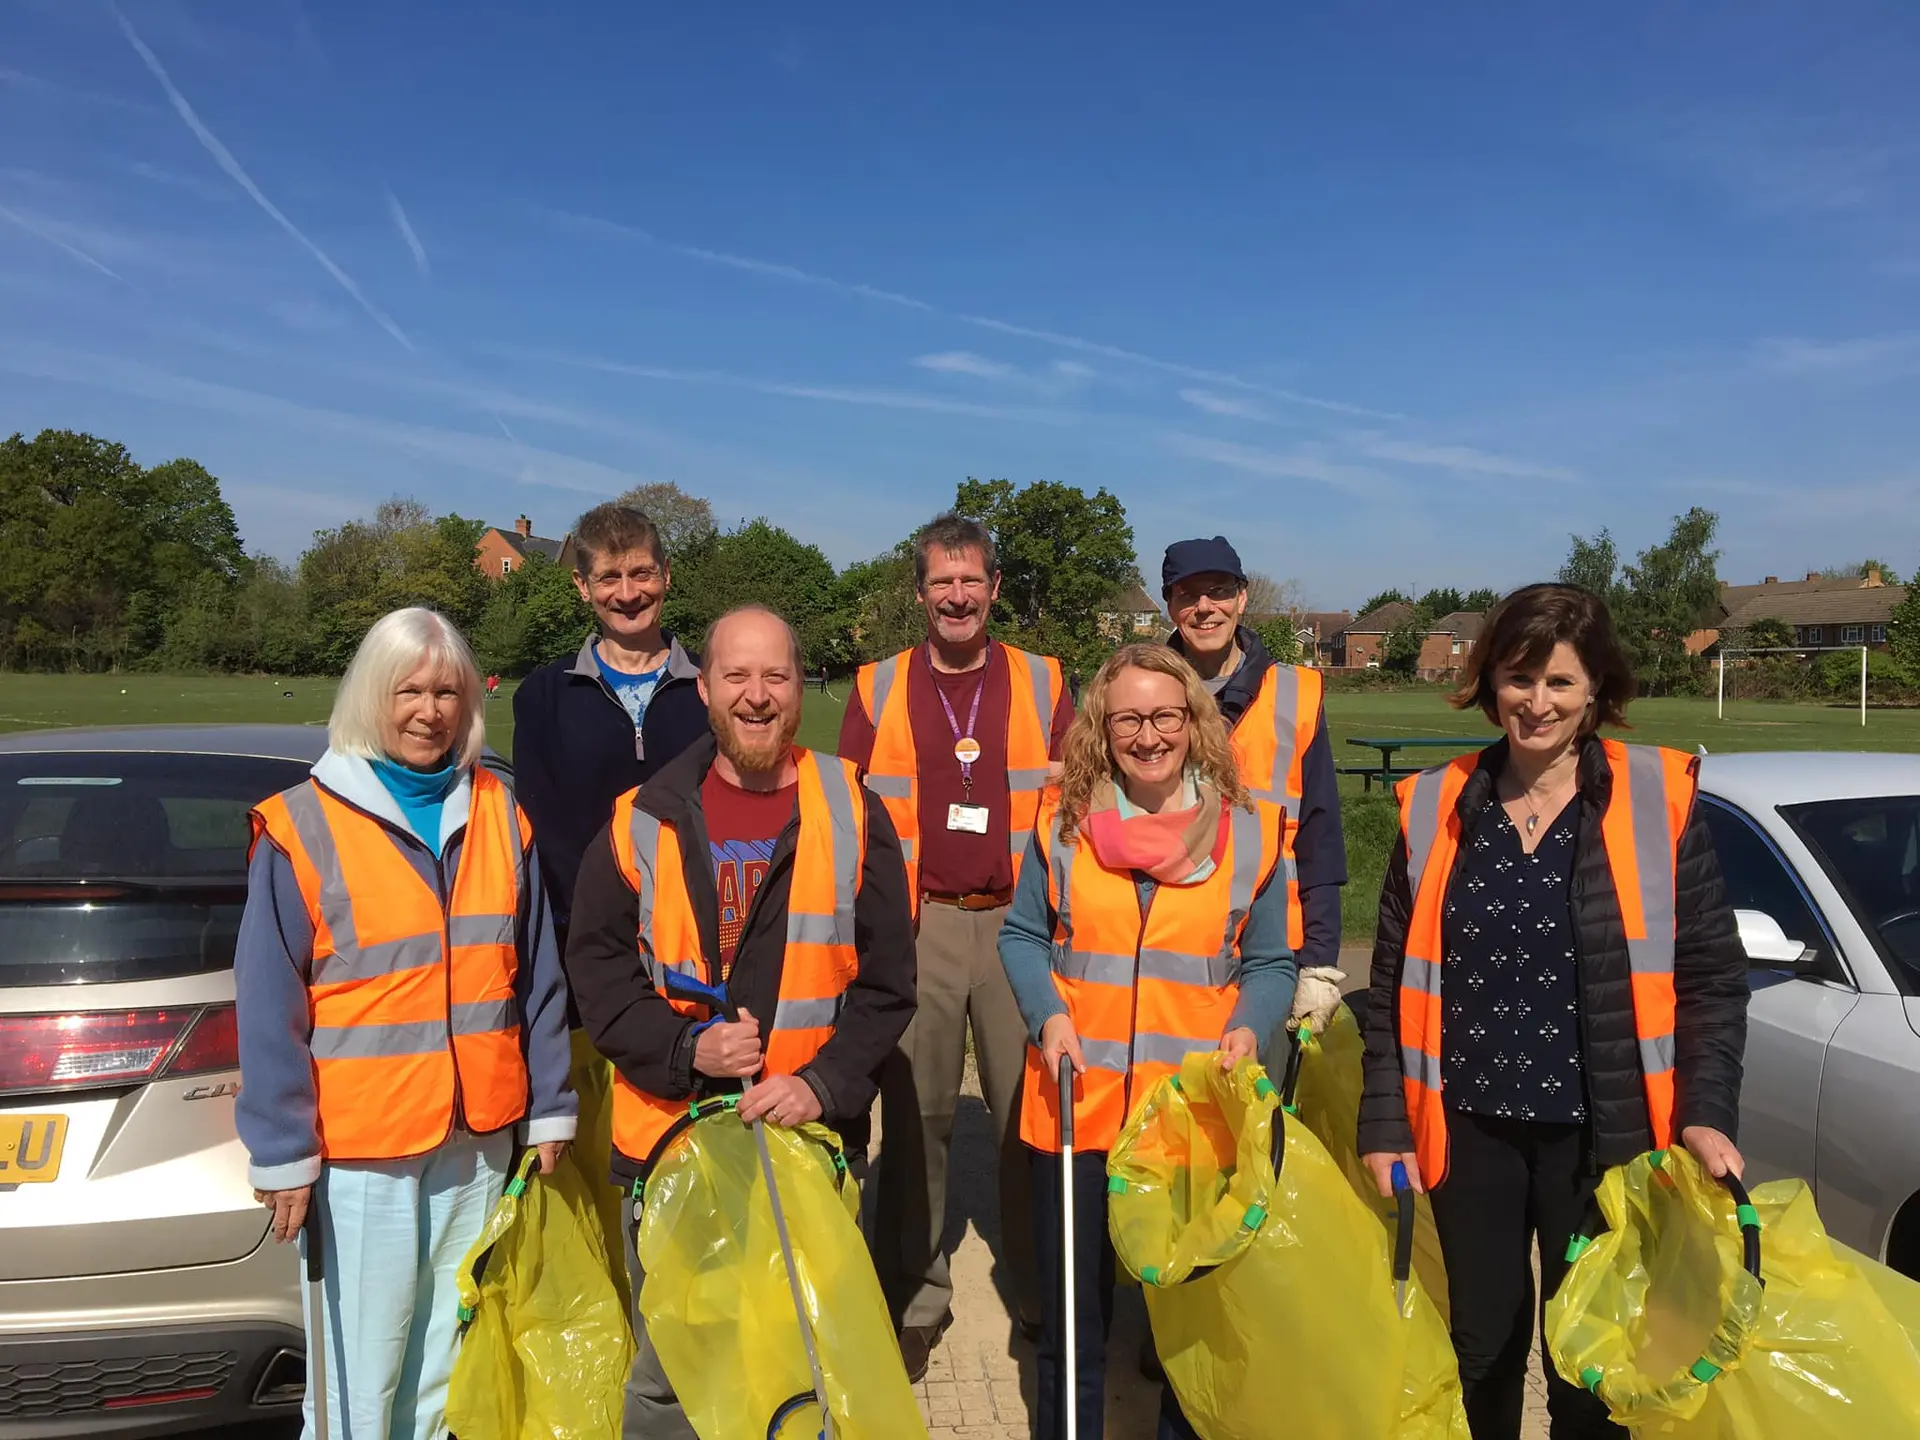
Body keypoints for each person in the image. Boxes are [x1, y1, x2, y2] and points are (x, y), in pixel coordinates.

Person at [1357, 584, 1750, 1440]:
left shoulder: (1658, 800)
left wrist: (1705, 1115)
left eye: (1561, 684)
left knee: (1591, 1365)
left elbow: (1713, 980)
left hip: (1603, 1142)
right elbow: (1389, 985)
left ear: (1597, 691)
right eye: (1518, 677)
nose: (1536, 703)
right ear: (1490, 679)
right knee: (1481, 1350)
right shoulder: (1434, 804)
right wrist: (1385, 1118)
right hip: (1468, 1133)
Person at [565, 604, 917, 1439]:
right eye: (736, 676)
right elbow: (600, 975)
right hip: (671, 1144)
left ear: (800, 688)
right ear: (705, 688)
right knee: (673, 1376)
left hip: (809, 1146)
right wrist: (687, 1051)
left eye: (775, 676)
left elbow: (887, 985)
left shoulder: (853, 808)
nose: (756, 696)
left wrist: (822, 1084)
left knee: (807, 1362)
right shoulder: (639, 817)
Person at [235, 607, 577, 1440]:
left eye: (448, 691)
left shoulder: (500, 809)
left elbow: (535, 975)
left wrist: (552, 1105)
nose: (430, 711)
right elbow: (268, 998)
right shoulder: (303, 822)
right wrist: (283, 1151)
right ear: (371, 698)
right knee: (360, 1372)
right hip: (362, 1154)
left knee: (445, 1366)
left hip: (479, 1140)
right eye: (410, 691)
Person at [999, 643, 1297, 1440]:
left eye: (1167, 714)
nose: (1150, 734)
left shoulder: (1251, 833)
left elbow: (1271, 961)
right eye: (1128, 717)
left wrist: (1247, 1025)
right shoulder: (1060, 822)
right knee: (1074, 1327)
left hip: (1191, 1122)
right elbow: (1022, 936)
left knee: (1189, 1332)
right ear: (1102, 727)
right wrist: (1046, 1015)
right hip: (1077, 1110)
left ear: (1195, 722)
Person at [840, 512, 1072, 1375]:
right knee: (915, 1112)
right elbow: (852, 816)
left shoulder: (1046, 683)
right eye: (942, 581)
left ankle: (1044, 1289)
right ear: (921, 592)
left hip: (1021, 924)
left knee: (1031, 1114)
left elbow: (1077, 800)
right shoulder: (878, 685)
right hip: (919, 922)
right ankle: (912, 1291)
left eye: (971, 579)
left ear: (995, 589)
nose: (957, 595)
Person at [1161, 536, 1347, 1035]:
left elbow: (1319, 835)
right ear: (1169, 604)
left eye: (1218, 591)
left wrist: (1320, 960)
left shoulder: (1294, 693)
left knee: (1262, 1108)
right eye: (1187, 595)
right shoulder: (1142, 688)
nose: (1205, 608)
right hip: (1174, 939)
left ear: (1242, 598)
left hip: (1272, 948)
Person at [512, 503, 707, 941]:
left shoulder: (713, 687)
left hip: (697, 930)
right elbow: (544, 837)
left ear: (666, 574)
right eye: (608, 577)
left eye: (642, 573)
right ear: (582, 585)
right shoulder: (543, 697)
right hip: (585, 939)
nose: (627, 593)